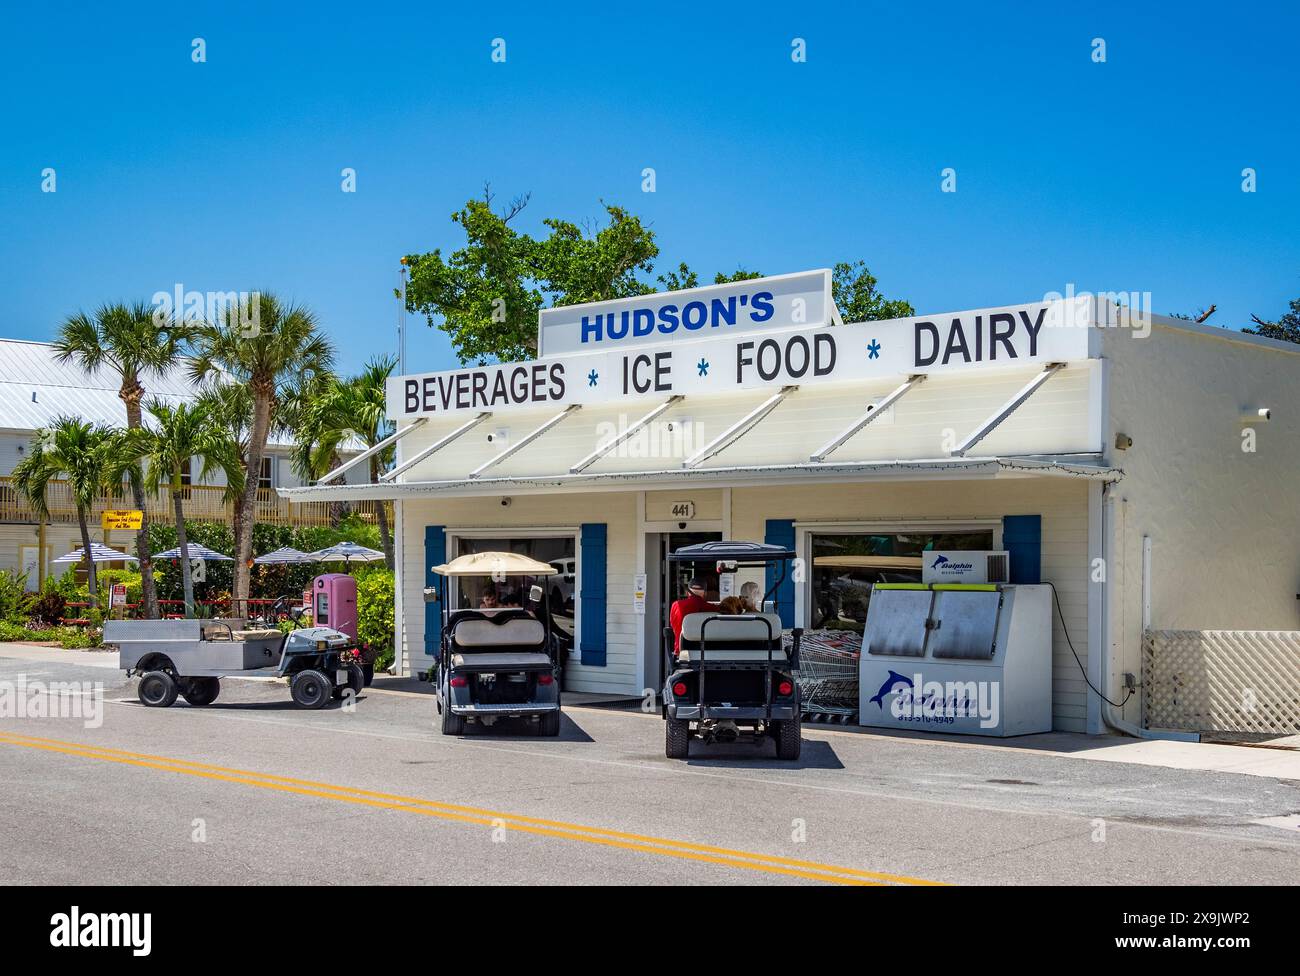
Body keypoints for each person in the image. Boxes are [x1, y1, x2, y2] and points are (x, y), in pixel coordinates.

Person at [669, 576, 716, 652]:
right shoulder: (713, 609)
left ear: (687, 593)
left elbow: (673, 626)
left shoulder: (676, 606)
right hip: (706, 653)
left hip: (682, 653)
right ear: (705, 594)